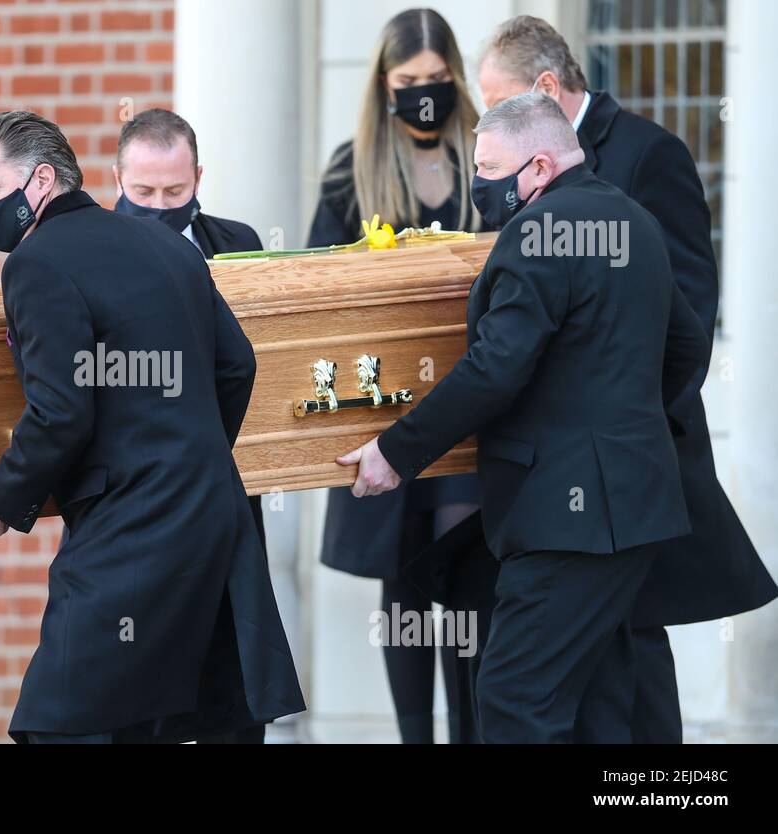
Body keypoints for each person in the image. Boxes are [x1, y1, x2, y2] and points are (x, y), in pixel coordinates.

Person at [341, 92, 709, 743]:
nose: (479, 185)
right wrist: (631, 440)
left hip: (563, 519)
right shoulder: (632, 219)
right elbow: (685, 348)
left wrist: (396, 452)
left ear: (538, 167)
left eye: (488, 169)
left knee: (513, 699)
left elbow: (494, 368)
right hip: (635, 507)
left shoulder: (535, 234)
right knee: (602, 703)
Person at [0, 110, 304, 743]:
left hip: (131, 526)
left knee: (65, 721)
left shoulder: (35, 265)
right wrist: (187, 451)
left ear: (38, 183)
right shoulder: (167, 244)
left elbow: (60, 411)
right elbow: (236, 365)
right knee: (159, 718)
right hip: (213, 512)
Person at [476, 15, 777, 742]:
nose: (486, 119)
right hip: (551, 470)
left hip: (626, 467)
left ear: (545, 89)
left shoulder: (649, 154)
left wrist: (623, 429)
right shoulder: (510, 162)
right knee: (591, 671)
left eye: (497, 99)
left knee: (632, 664)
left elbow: (687, 319)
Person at [308, 7, 484, 744]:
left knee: (469, 574)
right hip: (388, 406)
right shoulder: (355, 168)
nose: (424, 94)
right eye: (409, 81)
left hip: (477, 399)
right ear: (384, 83)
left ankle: (472, 732)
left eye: (438, 81)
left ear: (457, 80)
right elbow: (318, 281)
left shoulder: (488, 156)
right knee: (405, 577)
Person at [112, 106, 273, 744]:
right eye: (142, 192)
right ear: (115, 179)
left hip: (227, 490)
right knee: (134, 691)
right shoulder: (86, 254)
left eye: (174, 192)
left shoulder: (238, 244)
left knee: (230, 689)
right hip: (135, 504)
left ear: (199, 178)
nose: (158, 206)